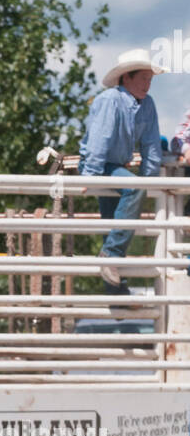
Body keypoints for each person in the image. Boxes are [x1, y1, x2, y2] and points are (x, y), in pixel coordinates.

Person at [78, 47, 164, 296]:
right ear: (127, 77)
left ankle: (115, 294)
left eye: (150, 79)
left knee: (114, 225)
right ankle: (112, 256)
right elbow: (99, 140)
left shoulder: (147, 105)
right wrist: (91, 176)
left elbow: (151, 145)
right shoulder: (109, 99)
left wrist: (151, 180)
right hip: (98, 164)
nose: (148, 85)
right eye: (144, 78)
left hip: (115, 167)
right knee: (129, 198)